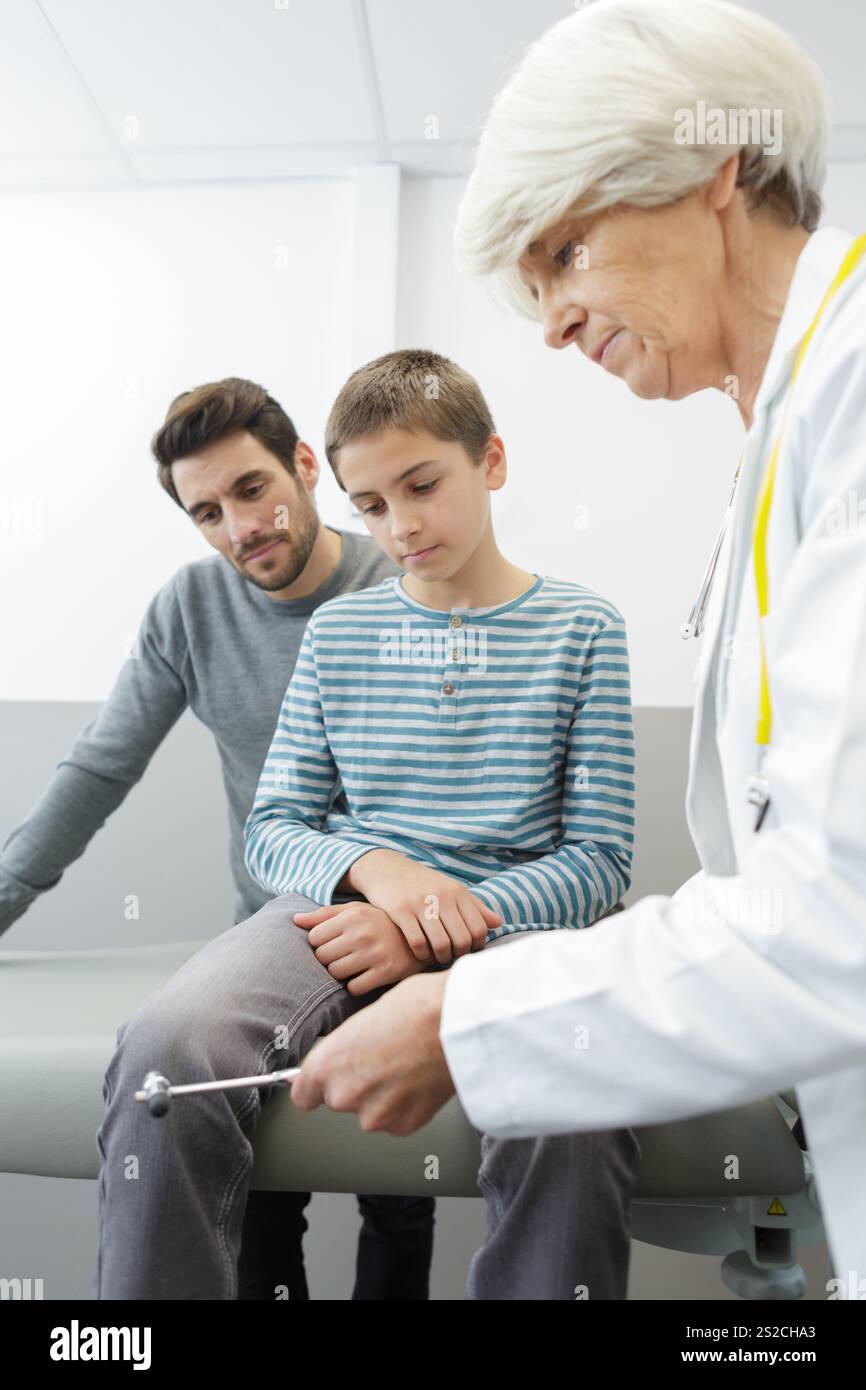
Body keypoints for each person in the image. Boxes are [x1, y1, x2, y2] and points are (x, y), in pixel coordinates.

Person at [285, 0, 866, 1286]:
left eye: (565, 252)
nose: (548, 322)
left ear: (714, 169)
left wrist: (466, 995)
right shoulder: (781, 438)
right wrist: (375, 878)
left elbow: (839, 910)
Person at [97, 347, 641, 1300]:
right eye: (374, 505)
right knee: (165, 1048)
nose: (402, 525)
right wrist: (382, 877)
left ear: (493, 461)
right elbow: (276, 827)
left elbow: (597, 858)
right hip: (345, 911)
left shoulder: (584, 628)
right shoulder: (338, 634)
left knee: (577, 1096)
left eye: (423, 485)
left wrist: (430, 921)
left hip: (521, 928)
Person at [0, 375, 435, 1299]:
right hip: (274, 940)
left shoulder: (407, 586)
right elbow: (96, 771)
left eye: (251, 488)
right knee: (261, 1202)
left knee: (402, 1201)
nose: (241, 527)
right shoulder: (189, 612)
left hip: (408, 940)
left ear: (306, 468)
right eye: (207, 511)